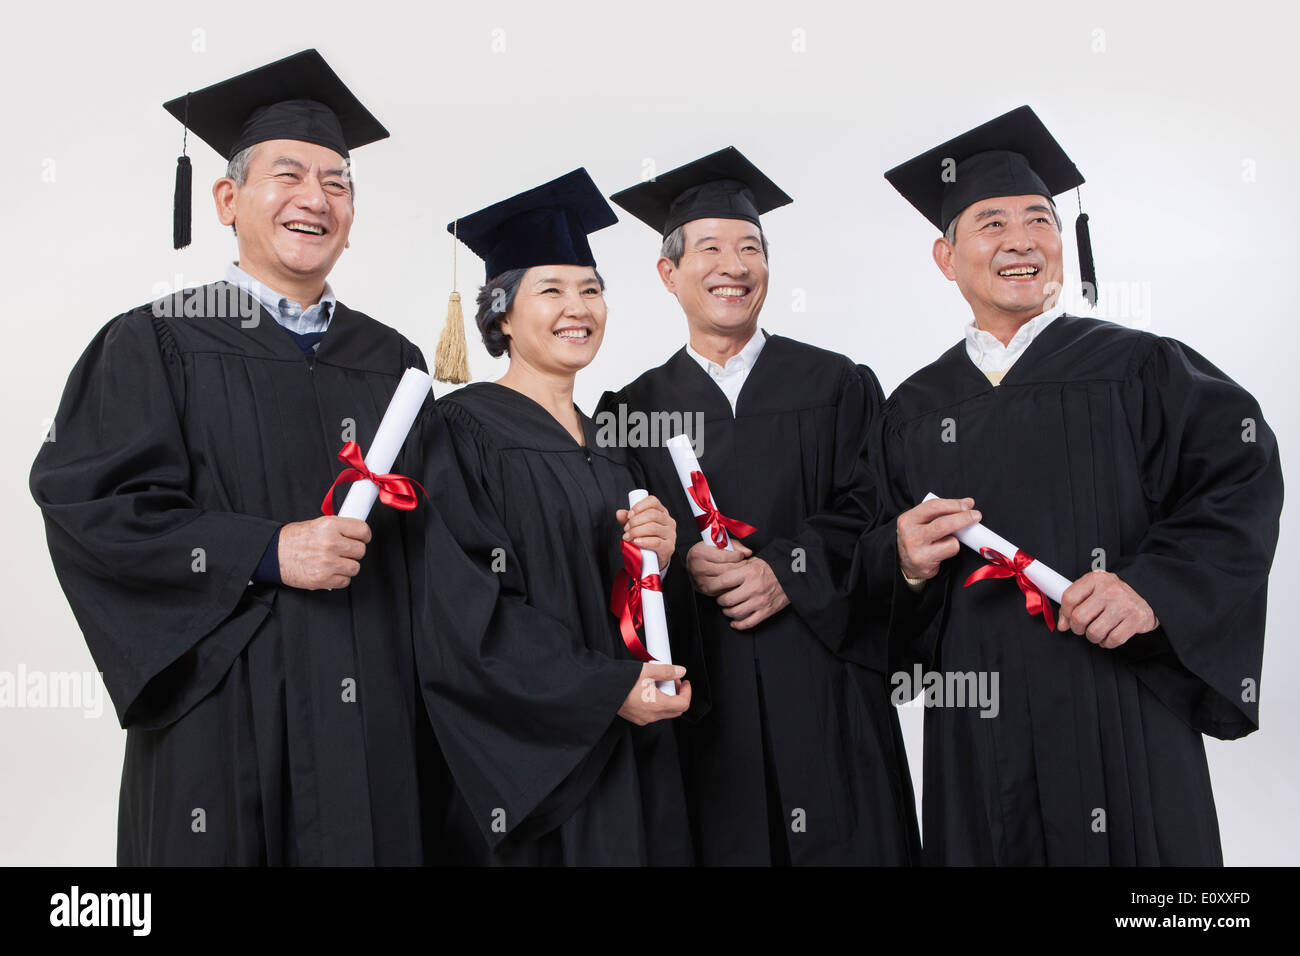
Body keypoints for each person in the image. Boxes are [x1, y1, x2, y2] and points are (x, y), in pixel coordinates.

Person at [29, 50, 437, 865]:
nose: (315, 200)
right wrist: (266, 549)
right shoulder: (155, 341)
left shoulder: (394, 362)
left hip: (372, 724)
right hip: (223, 720)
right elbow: (93, 512)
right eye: (288, 175)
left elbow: (448, 543)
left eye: (338, 182)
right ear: (227, 198)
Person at [878, 105, 1283, 865]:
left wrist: (1153, 586)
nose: (1021, 240)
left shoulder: (1139, 367)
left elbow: (1240, 473)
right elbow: (869, 566)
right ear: (946, 255)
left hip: (1120, 699)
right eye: (991, 223)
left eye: (1039, 219)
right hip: (979, 719)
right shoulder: (911, 409)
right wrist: (900, 561)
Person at [598, 147, 920, 865]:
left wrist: (786, 569)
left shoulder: (838, 384)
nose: (733, 266)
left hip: (828, 683)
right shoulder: (633, 409)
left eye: (750, 248)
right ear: (668, 273)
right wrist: (677, 555)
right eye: (709, 248)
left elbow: (873, 510)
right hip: (708, 698)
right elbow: (618, 543)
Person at [414, 169, 694, 865]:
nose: (579, 308)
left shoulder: (616, 441)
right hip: (537, 768)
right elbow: (463, 611)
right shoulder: (460, 432)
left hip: (635, 746)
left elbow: (640, 607)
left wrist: (665, 550)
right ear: (501, 313)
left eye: (591, 290)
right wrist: (602, 692)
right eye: (552, 290)